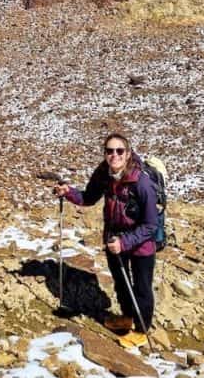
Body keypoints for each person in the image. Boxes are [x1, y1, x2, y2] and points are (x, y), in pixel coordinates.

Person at [54, 134, 157, 349]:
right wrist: (69, 192)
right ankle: (127, 318)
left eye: (119, 151)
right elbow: (88, 197)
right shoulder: (104, 173)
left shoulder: (142, 182)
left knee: (141, 287)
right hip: (113, 239)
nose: (114, 155)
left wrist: (125, 242)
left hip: (140, 244)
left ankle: (141, 330)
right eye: (110, 151)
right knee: (121, 283)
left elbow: (150, 225)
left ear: (128, 154)